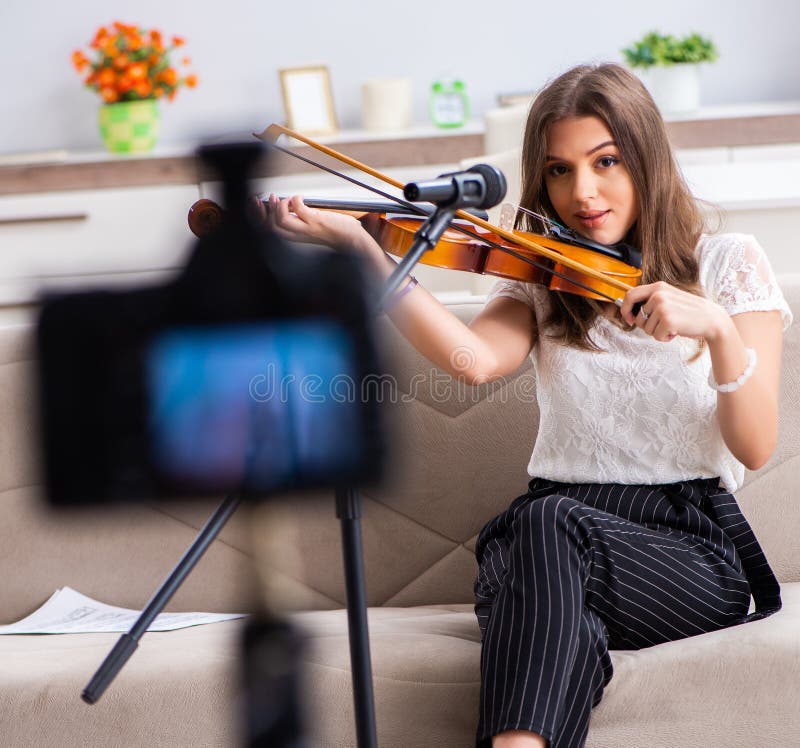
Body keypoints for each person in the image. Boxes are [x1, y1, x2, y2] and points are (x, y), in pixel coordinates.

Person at [262, 62, 792, 748]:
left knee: (541, 533)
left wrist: (717, 329)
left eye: (605, 161)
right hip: (548, 545)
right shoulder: (543, 276)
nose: (583, 192)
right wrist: (368, 256)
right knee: (549, 575)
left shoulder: (728, 264)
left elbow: (753, 447)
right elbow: (473, 361)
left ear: (646, 159)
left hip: (686, 549)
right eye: (559, 171)